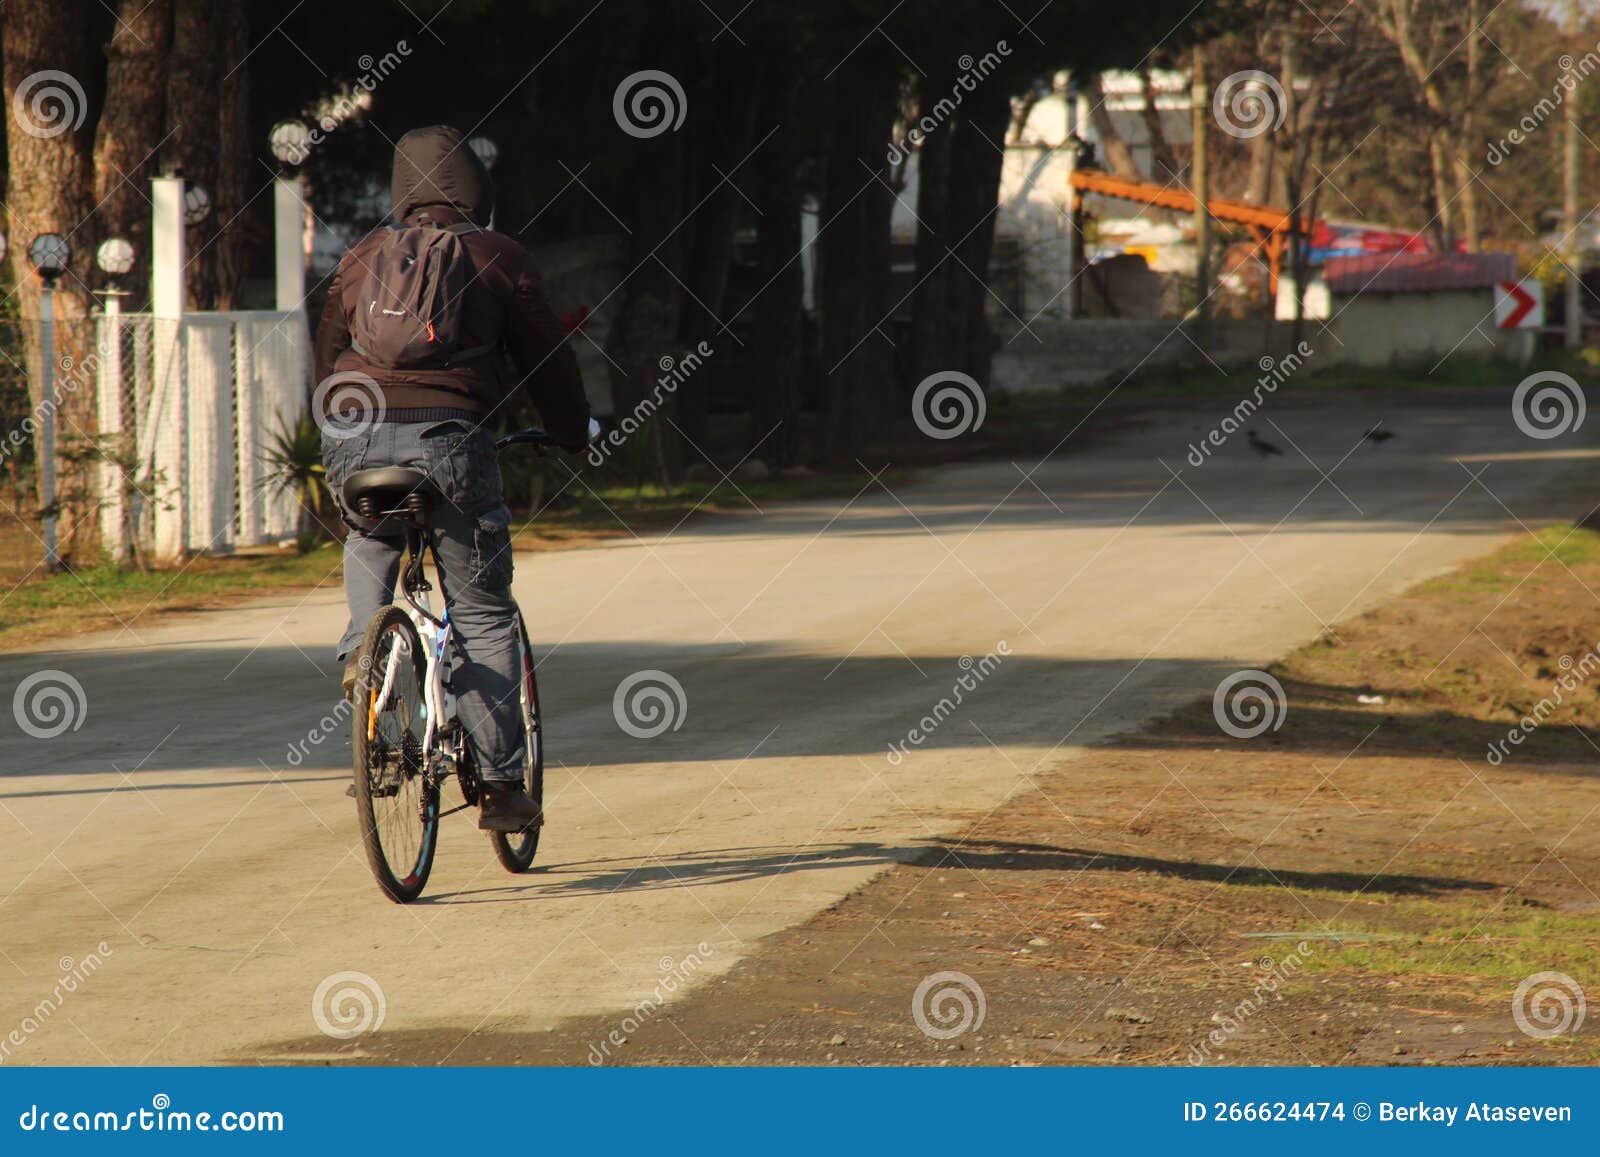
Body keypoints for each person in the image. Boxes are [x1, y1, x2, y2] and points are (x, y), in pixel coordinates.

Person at [314, 124, 590, 831]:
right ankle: (501, 787)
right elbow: (547, 357)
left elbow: (327, 356)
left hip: (354, 435)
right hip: (451, 441)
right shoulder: (497, 255)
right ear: (475, 188)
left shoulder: (362, 255)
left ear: (402, 191)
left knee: (370, 536)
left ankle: (367, 657)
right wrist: (570, 430)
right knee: (483, 610)